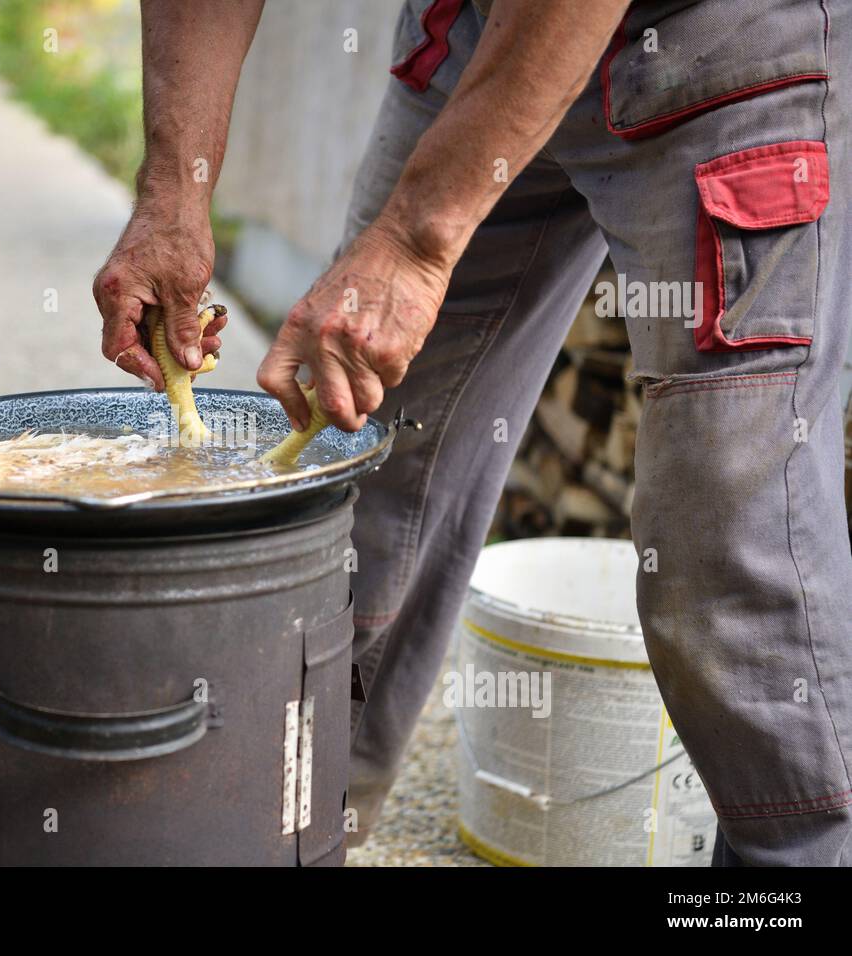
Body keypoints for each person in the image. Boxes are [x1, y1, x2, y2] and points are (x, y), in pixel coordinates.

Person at [93, 0, 852, 866]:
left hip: (725, 48)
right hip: (473, 37)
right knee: (363, 444)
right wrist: (170, 197)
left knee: (725, 538)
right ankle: (297, 831)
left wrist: (414, 241)